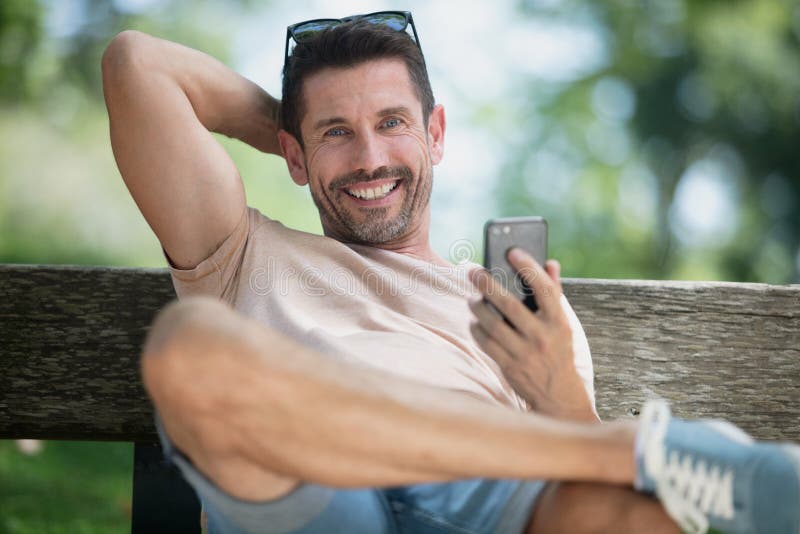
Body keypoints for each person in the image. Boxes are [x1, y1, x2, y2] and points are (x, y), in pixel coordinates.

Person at [101, 12, 800, 534]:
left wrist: (564, 398)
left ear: (436, 135)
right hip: (309, 498)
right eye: (338, 132)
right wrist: (300, 136)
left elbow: (565, 489)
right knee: (188, 345)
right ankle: (634, 448)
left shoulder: (514, 308)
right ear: (291, 155)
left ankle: (628, 456)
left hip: (489, 506)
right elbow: (136, 66)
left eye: (393, 123)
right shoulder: (240, 251)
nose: (371, 157)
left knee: (626, 514)